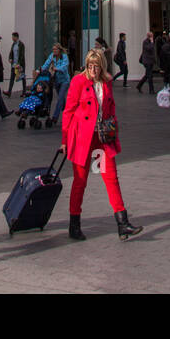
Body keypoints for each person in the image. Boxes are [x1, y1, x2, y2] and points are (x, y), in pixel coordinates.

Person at [60, 47, 142, 241]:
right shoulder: (78, 81)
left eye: (97, 66)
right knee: (80, 181)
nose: (93, 70)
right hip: (82, 138)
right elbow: (68, 111)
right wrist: (64, 141)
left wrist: (113, 127)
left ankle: (122, 223)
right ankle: (74, 224)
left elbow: (111, 107)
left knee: (111, 177)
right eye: (90, 66)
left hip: (102, 139)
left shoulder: (106, 82)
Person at [42, 43, 71, 124]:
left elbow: (65, 67)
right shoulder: (52, 56)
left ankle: (55, 117)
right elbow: (47, 63)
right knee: (61, 99)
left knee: (60, 98)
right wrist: (41, 70)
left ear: (59, 50)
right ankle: (67, 110)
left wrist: (57, 69)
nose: (54, 51)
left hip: (65, 80)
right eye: (53, 49)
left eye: (55, 49)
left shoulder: (64, 56)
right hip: (57, 80)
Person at [6, 32, 26, 97]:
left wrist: (19, 63)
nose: (12, 38)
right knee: (12, 77)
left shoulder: (21, 44)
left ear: (16, 37)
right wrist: (10, 58)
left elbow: (22, 55)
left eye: (13, 37)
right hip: (14, 64)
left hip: (19, 64)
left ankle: (24, 92)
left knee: (22, 77)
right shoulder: (13, 44)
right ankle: (9, 92)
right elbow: (11, 52)